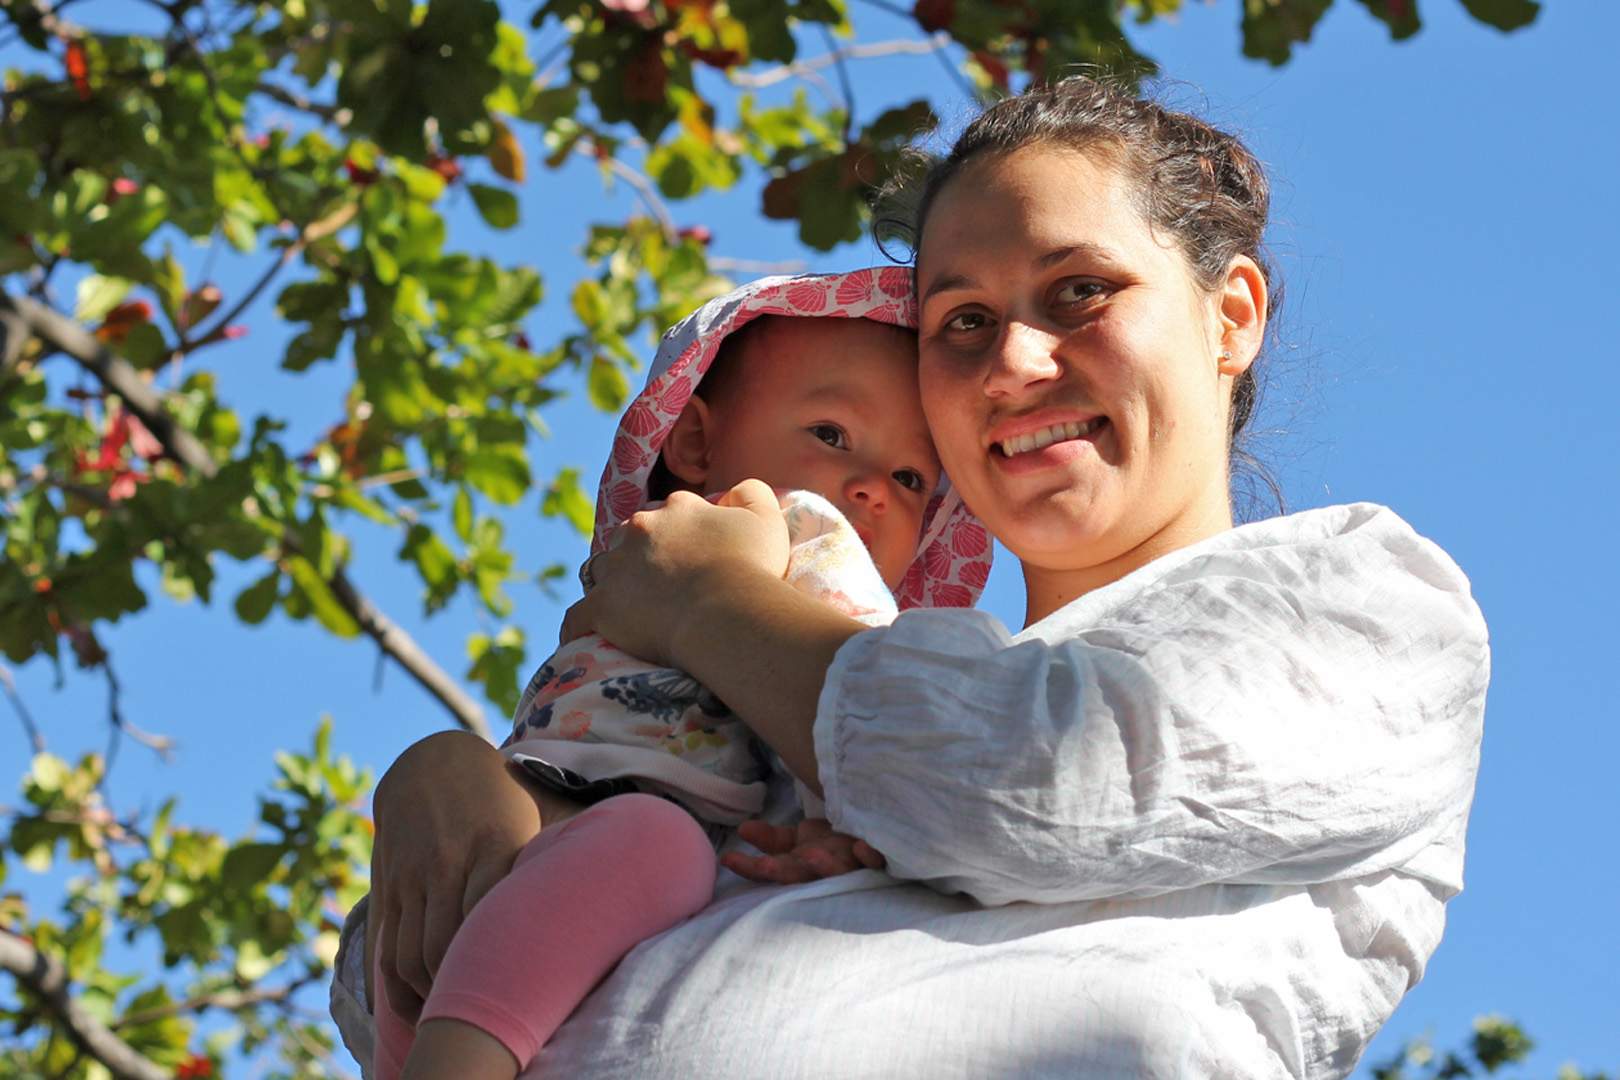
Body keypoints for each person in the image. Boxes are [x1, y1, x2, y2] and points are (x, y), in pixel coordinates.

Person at [346, 76, 1488, 1079]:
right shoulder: (836, 682)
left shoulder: (1371, 604)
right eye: (964, 320)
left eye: (1081, 290)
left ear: (1228, 315)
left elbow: (1026, 780)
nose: (1015, 364)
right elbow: (398, 991)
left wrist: (701, 600)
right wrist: (456, 788)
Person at [338, 270, 991, 1079]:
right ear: (693, 444)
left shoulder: (648, 578)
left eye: (911, 479)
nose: (871, 487)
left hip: (569, 825)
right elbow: (869, 707)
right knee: (649, 849)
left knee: (498, 927)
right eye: (831, 433)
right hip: (605, 813)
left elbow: (857, 704)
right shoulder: (797, 537)